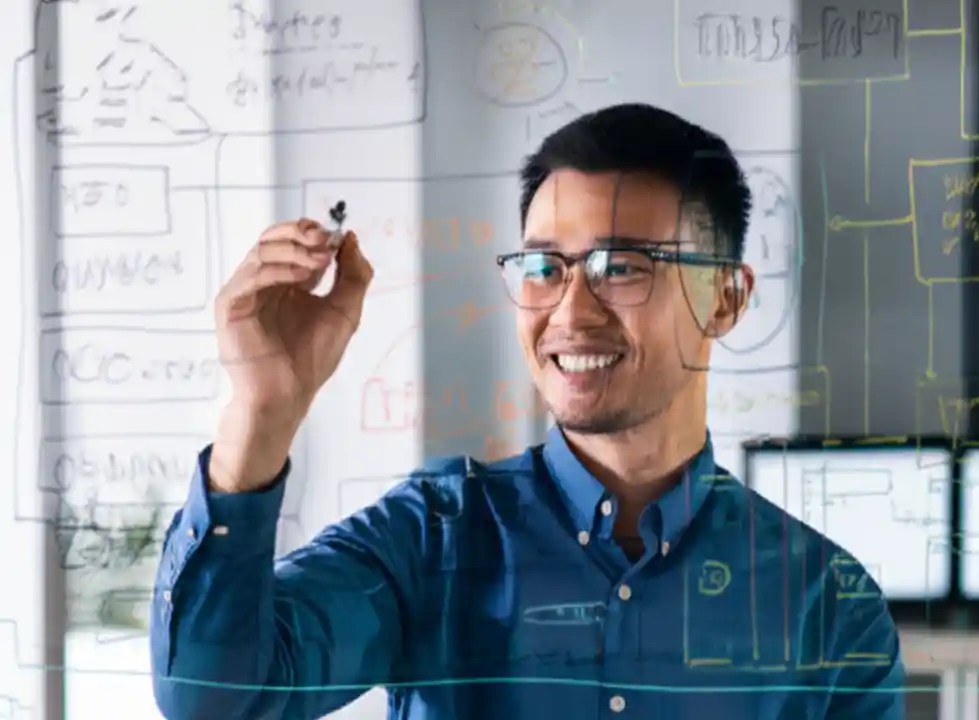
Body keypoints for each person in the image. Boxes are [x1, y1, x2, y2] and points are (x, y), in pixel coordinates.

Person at [149, 103, 906, 719]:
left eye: (621, 268)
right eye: (543, 267)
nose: (570, 313)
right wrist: (262, 411)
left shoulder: (825, 608)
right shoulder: (432, 538)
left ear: (727, 298)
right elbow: (215, 700)